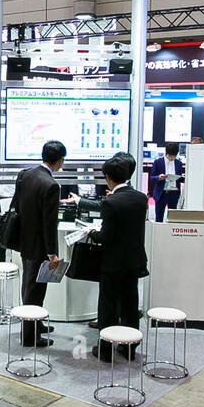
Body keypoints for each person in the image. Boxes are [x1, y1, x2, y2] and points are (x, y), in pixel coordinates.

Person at [80, 153, 148, 360]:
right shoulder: (140, 197)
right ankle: (129, 348)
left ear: (108, 177)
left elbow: (106, 237)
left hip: (112, 263)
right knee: (130, 303)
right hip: (134, 260)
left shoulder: (111, 203)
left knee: (108, 305)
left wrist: (92, 233)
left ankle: (106, 349)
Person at [12, 139, 65, 346]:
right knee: (35, 291)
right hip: (40, 247)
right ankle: (30, 336)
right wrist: (52, 253)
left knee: (32, 286)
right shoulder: (51, 185)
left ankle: (37, 323)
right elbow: (49, 224)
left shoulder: (26, 175)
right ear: (60, 160)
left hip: (25, 241)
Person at [148, 143, 185, 222]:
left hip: (174, 193)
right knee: (159, 218)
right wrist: (159, 177)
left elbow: (180, 178)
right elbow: (152, 178)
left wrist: (183, 178)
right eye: (170, 156)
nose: (172, 158)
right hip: (161, 194)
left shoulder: (178, 163)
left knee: (173, 219)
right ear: (166, 154)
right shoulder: (158, 162)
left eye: (174, 156)